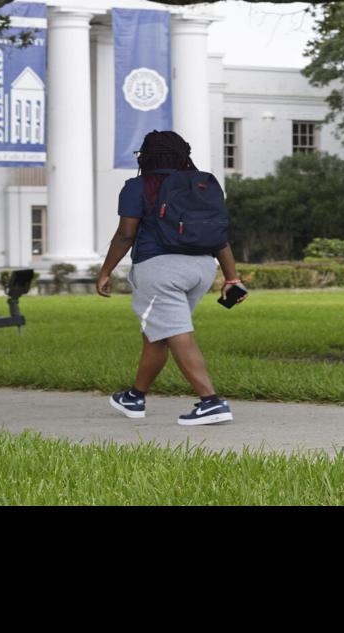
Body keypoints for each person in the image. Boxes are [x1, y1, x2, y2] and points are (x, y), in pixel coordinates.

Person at [96, 130, 245, 425]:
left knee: (176, 333)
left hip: (160, 270)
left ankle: (211, 402)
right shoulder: (201, 185)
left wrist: (105, 271)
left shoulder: (138, 186)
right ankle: (135, 397)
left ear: (146, 157)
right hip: (202, 269)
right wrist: (232, 278)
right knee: (158, 333)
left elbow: (126, 234)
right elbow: (218, 234)